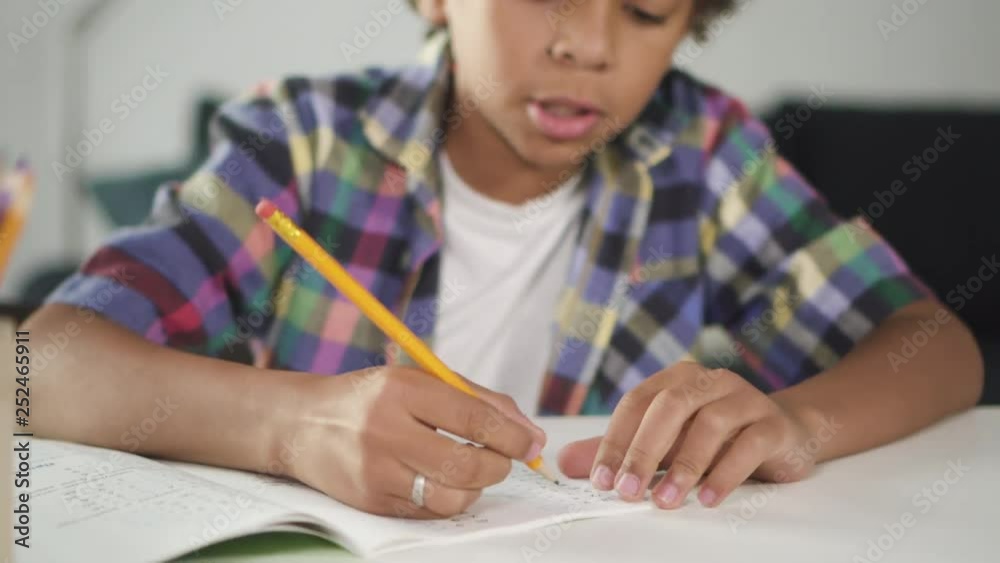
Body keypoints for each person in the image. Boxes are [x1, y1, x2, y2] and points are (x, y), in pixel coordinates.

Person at [27, 0, 983, 518]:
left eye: (648, 12)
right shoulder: (304, 140)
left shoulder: (702, 154)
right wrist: (291, 424)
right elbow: (41, 364)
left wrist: (795, 423)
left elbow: (937, 345)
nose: (588, 45)